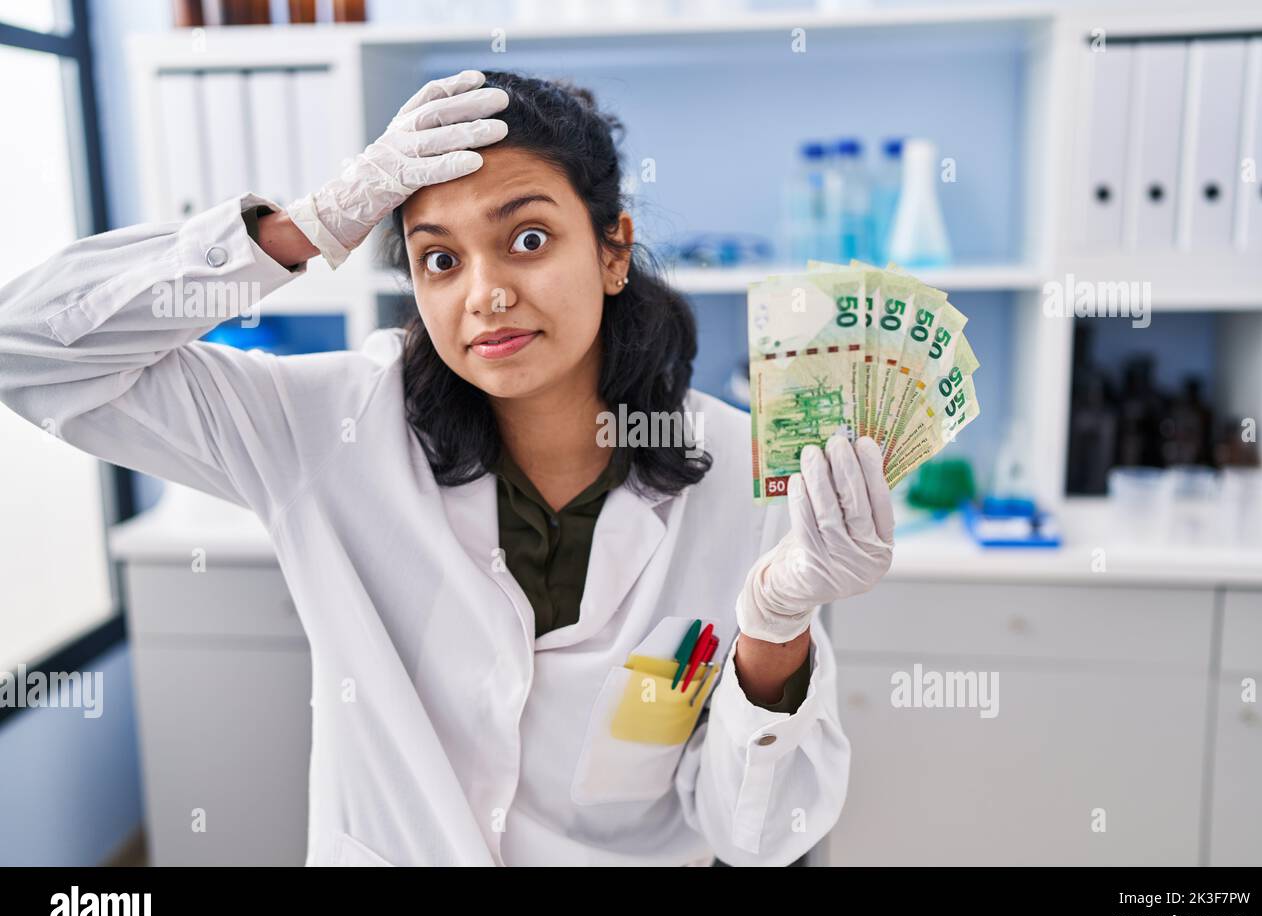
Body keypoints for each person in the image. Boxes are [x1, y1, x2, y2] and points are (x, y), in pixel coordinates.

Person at [0, 69, 893, 866]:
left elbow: (757, 837)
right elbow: (26, 349)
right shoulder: (329, 428)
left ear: (613, 248)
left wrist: (775, 631)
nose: (485, 293)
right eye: (439, 258)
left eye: (529, 239)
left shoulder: (748, 474)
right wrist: (300, 228)